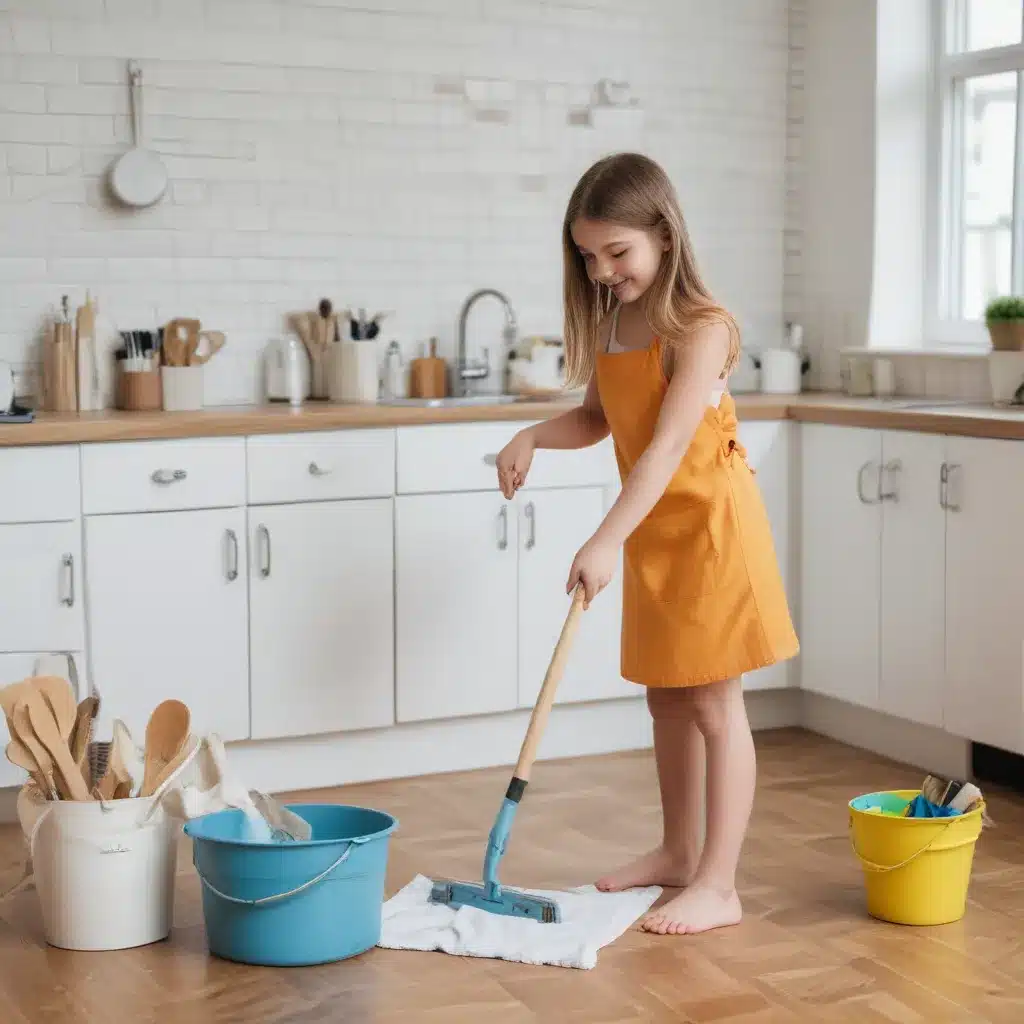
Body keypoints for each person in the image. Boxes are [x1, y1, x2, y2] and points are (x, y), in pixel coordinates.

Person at [494, 153, 798, 936]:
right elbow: (599, 419)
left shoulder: (703, 328)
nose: (602, 269)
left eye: (617, 252)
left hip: (709, 532)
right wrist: (534, 433)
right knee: (667, 696)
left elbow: (664, 448)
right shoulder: (615, 320)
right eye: (588, 256)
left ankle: (719, 883)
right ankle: (675, 851)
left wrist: (600, 540)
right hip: (655, 530)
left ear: (664, 232)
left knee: (712, 701)